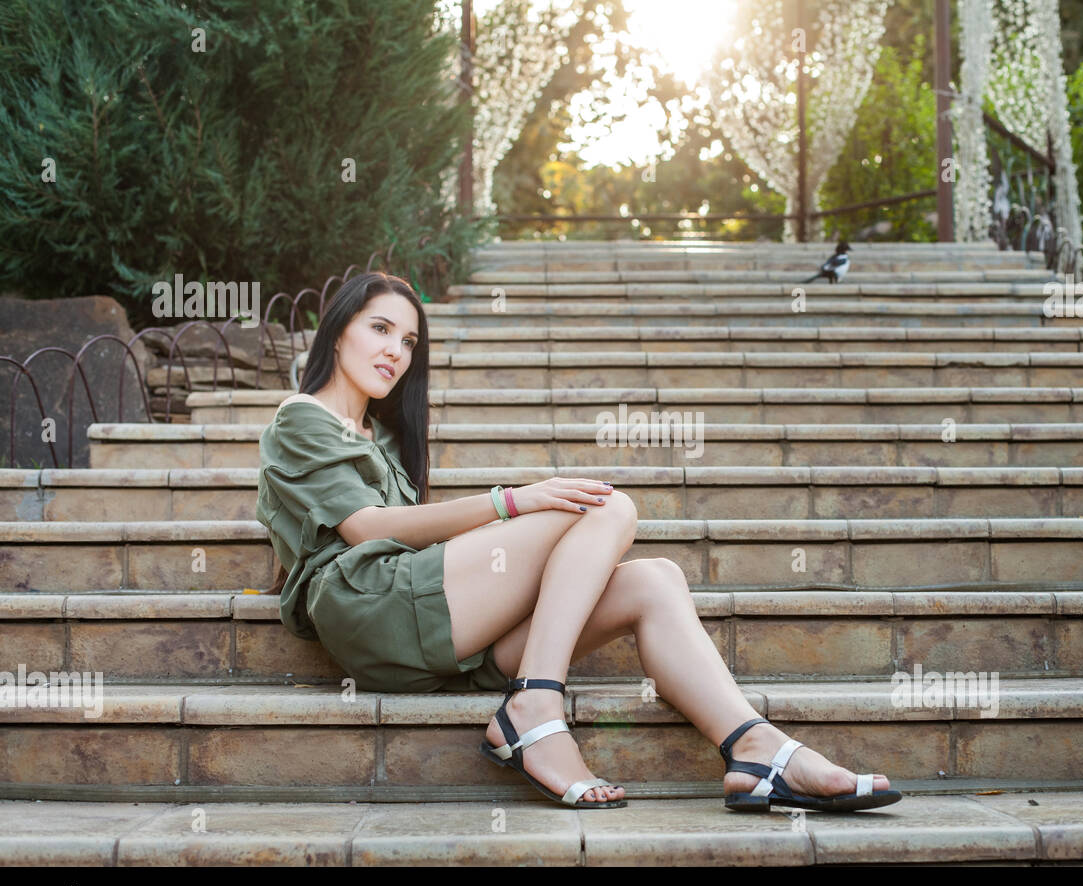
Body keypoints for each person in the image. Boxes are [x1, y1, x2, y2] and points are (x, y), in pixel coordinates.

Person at [256, 270, 901, 812]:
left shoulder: (386, 439)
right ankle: (534, 707)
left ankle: (754, 750)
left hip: (432, 629)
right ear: (338, 327)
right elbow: (365, 528)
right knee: (610, 506)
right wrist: (513, 500)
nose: (396, 351)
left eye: (409, 340)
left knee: (656, 580)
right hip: (371, 608)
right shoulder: (302, 417)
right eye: (380, 328)